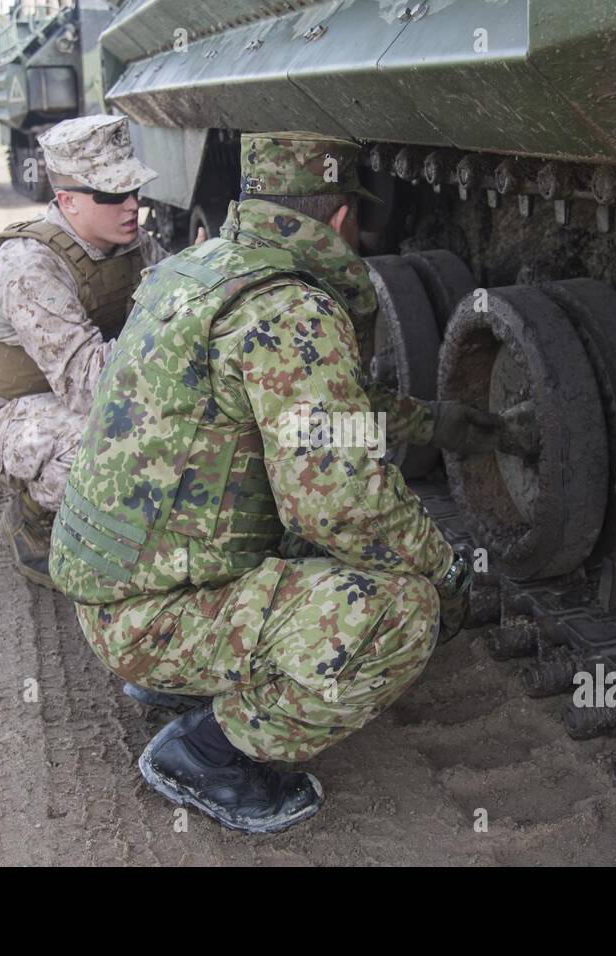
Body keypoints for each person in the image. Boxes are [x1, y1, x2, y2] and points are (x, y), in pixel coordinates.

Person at [49, 131, 519, 833]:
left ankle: (171, 672)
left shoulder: (197, 270)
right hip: (149, 614)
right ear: (338, 219)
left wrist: (437, 423)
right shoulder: (293, 310)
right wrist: (444, 571)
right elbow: (338, 505)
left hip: (119, 580)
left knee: (322, 544)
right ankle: (208, 753)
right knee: (400, 609)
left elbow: (319, 411)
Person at [0, 113, 168, 588]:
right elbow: (91, 388)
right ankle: (34, 520)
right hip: (0, 417)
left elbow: (180, 292)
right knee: (106, 440)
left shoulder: (129, 244)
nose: (131, 205)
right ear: (68, 201)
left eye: (135, 192)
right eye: (111, 195)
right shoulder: (29, 267)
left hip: (60, 394)